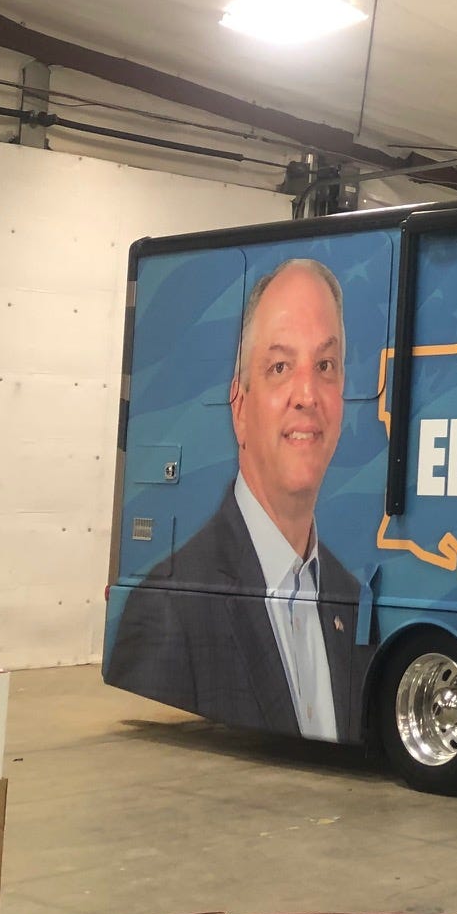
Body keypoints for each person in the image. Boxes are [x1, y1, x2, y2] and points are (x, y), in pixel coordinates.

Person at [109, 258, 370, 742]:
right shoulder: (166, 611)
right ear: (240, 406)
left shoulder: (351, 603)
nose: (307, 394)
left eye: (325, 365)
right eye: (279, 366)